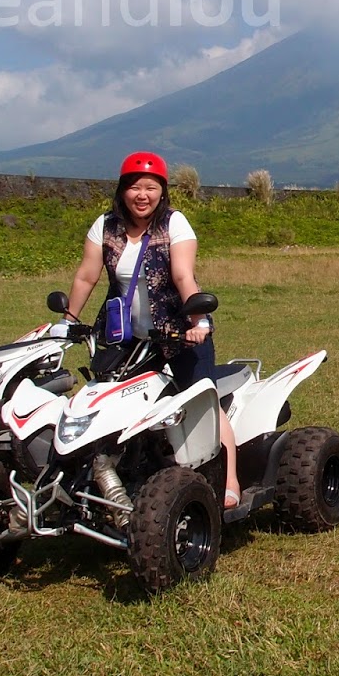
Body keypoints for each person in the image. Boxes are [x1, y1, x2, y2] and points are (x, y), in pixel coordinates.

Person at [62, 151, 242, 509]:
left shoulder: (174, 224)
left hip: (178, 332)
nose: (141, 195)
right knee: (110, 402)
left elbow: (183, 276)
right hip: (126, 338)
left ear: (162, 191)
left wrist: (199, 321)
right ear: (122, 190)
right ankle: (119, 477)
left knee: (201, 399)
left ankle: (230, 480)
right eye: (134, 187)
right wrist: (67, 321)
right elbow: (86, 276)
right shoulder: (106, 226)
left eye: (150, 187)